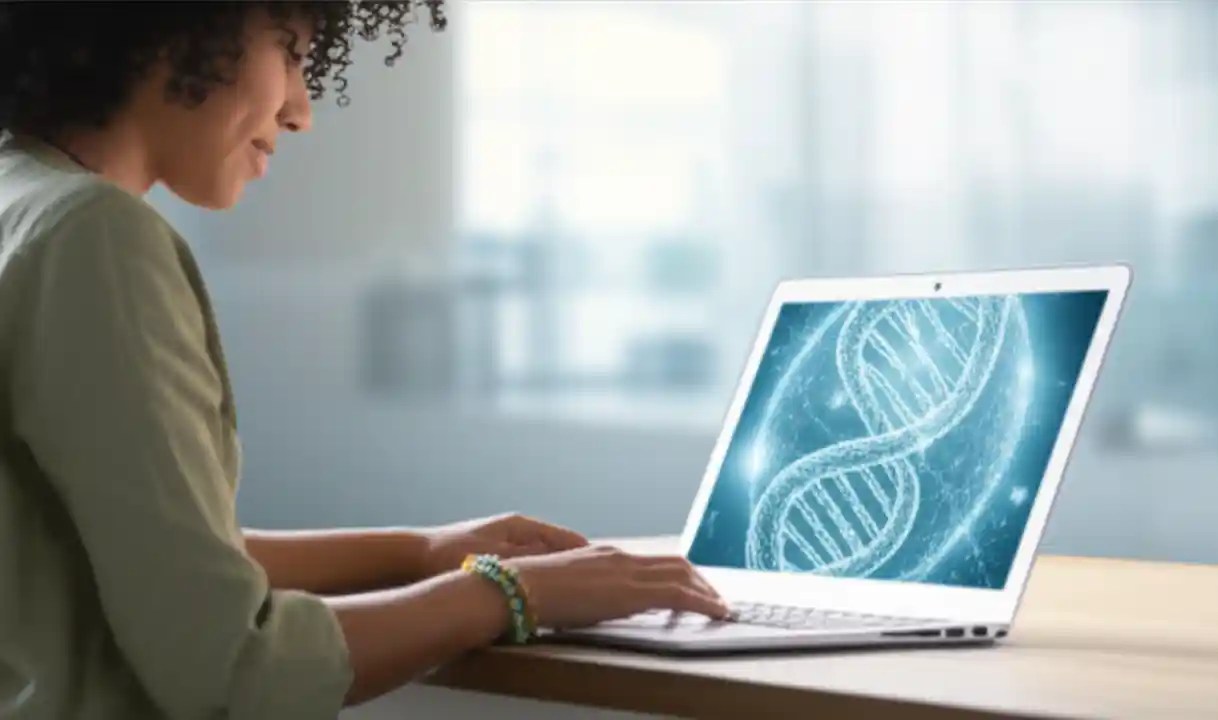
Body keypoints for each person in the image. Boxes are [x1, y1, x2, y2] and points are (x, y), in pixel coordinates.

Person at [0, 2, 729, 717]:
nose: (300, 110)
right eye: (288, 49)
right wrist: (514, 592)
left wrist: (422, 552)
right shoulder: (96, 241)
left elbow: (158, 560)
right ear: (180, 25)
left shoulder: (22, 201)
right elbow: (234, 667)